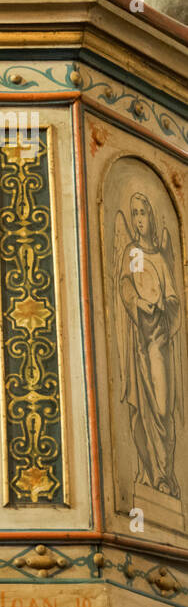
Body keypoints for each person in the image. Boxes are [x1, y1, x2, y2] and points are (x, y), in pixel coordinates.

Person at [117, 192, 183, 497]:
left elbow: (173, 299)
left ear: (151, 218)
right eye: (135, 213)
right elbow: (124, 285)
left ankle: (165, 469)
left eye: (144, 213)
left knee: (162, 407)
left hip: (159, 342)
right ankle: (154, 474)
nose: (139, 219)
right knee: (141, 409)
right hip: (139, 346)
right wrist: (138, 303)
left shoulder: (159, 257)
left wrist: (160, 306)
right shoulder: (131, 253)